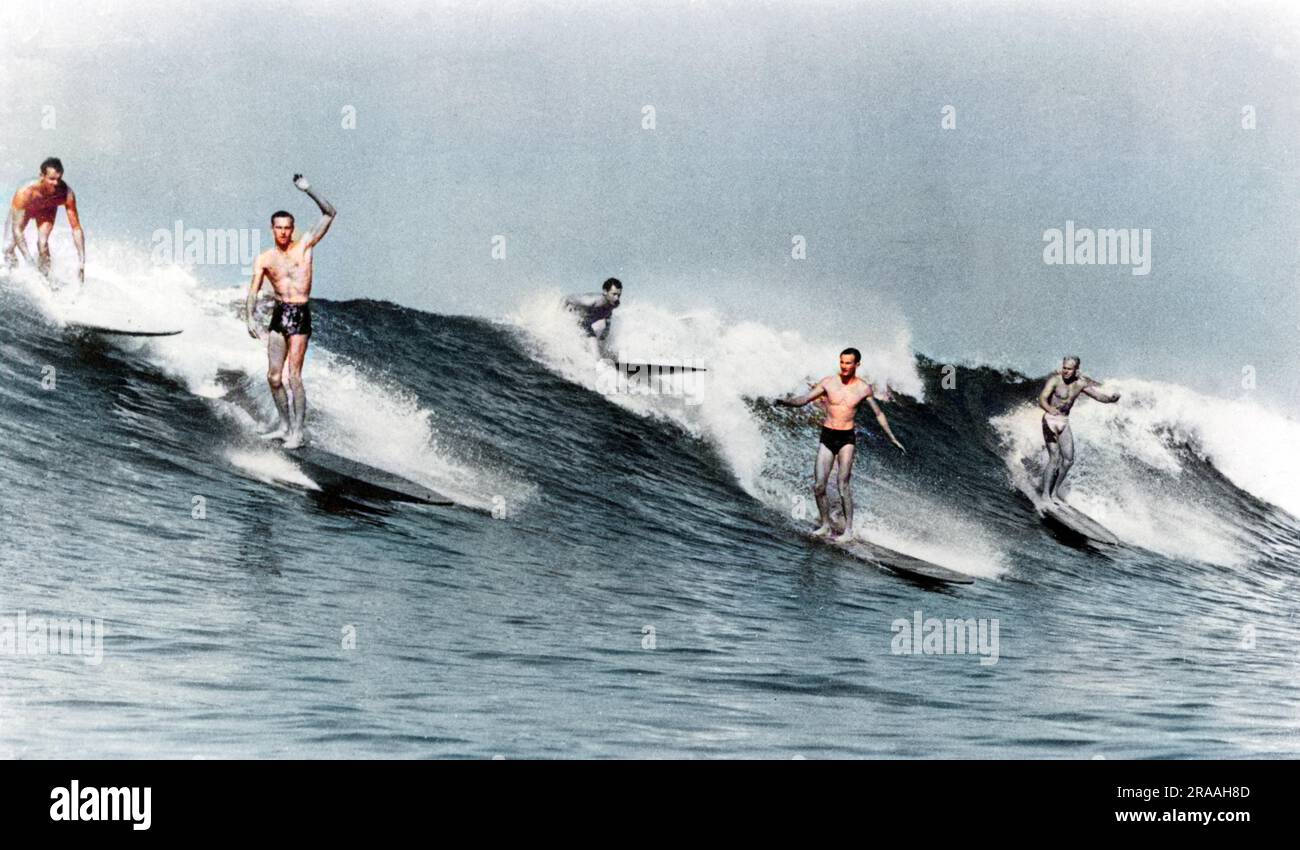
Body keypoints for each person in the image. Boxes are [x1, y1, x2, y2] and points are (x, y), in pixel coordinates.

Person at [774, 348, 905, 542]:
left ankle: (848, 531)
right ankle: (825, 524)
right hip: (827, 436)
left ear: (857, 365)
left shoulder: (863, 388)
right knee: (819, 486)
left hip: (847, 439)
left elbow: (878, 414)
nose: (844, 367)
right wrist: (785, 402)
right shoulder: (828, 382)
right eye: (842, 362)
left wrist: (892, 438)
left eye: (848, 363)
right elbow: (804, 400)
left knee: (843, 485)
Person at [244, 174, 336, 450]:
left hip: (299, 314)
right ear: (272, 229)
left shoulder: (305, 246)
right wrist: (249, 317)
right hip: (278, 314)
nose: (283, 232)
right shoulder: (265, 259)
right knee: (273, 377)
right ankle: (284, 426)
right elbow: (254, 291)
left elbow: (330, 212)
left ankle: (298, 432)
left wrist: (308, 189)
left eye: (287, 227)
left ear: (292, 229)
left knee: (294, 375)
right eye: (278, 228)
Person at [1037, 355, 1121, 503]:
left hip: (1064, 421)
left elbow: (1098, 396)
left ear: (1076, 370)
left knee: (1068, 460)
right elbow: (1042, 398)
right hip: (1050, 419)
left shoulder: (1080, 384)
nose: (1066, 371)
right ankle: (1045, 494)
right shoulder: (1055, 380)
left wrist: (1110, 399)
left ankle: (1054, 493)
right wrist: (1049, 409)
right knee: (1055, 458)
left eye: (1069, 369)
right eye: (1064, 368)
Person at [3, 157, 85, 282]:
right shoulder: (25, 192)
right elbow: (17, 230)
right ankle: (12, 275)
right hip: (26, 210)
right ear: (42, 176)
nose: (56, 183)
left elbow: (76, 228)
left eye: (59, 179)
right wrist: (29, 261)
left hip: (47, 210)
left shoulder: (66, 194)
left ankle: (45, 279)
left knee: (42, 243)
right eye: (51, 179)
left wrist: (82, 261)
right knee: (8, 247)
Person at [563, 278, 622, 348]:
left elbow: (608, 314)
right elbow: (567, 299)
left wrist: (606, 330)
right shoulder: (590, 302)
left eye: (619, 295)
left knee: (597, 344)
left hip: (586, 323)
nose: (617, 298)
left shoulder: (614, 303)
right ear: (605, 292)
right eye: (614, 294)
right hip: (574, 317)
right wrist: (560, 314)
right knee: (592, 341)